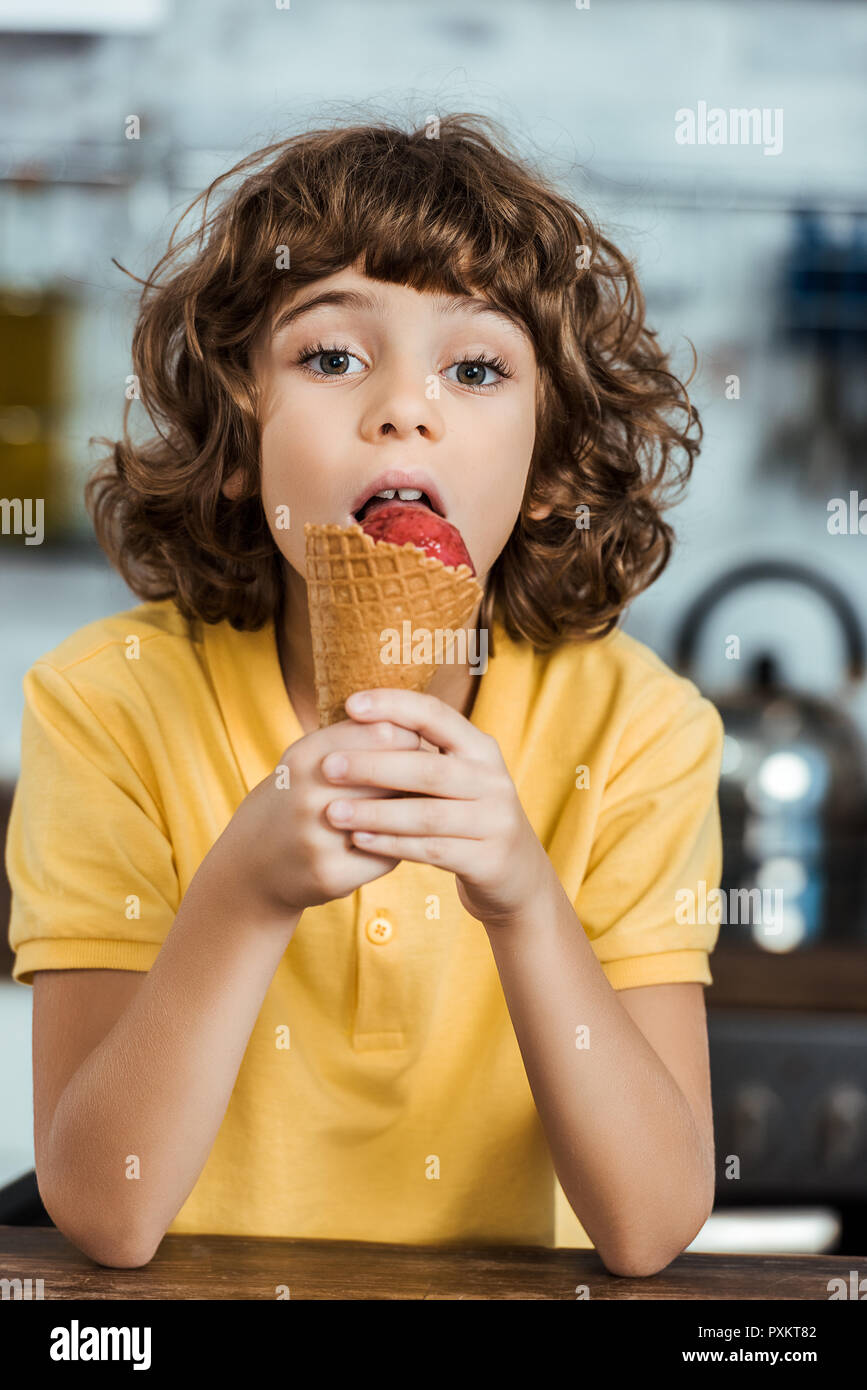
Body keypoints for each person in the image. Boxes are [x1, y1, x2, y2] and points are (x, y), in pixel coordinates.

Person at [6, 113, 723, 1276]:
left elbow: (648, 1227)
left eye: (476, 367)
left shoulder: (638, 731)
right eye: (331, 357)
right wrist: (239, 894)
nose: (404, 407)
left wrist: (528, 904)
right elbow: (102, 1208)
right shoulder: (109, 706)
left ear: (545, 475)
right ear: (239, 439)